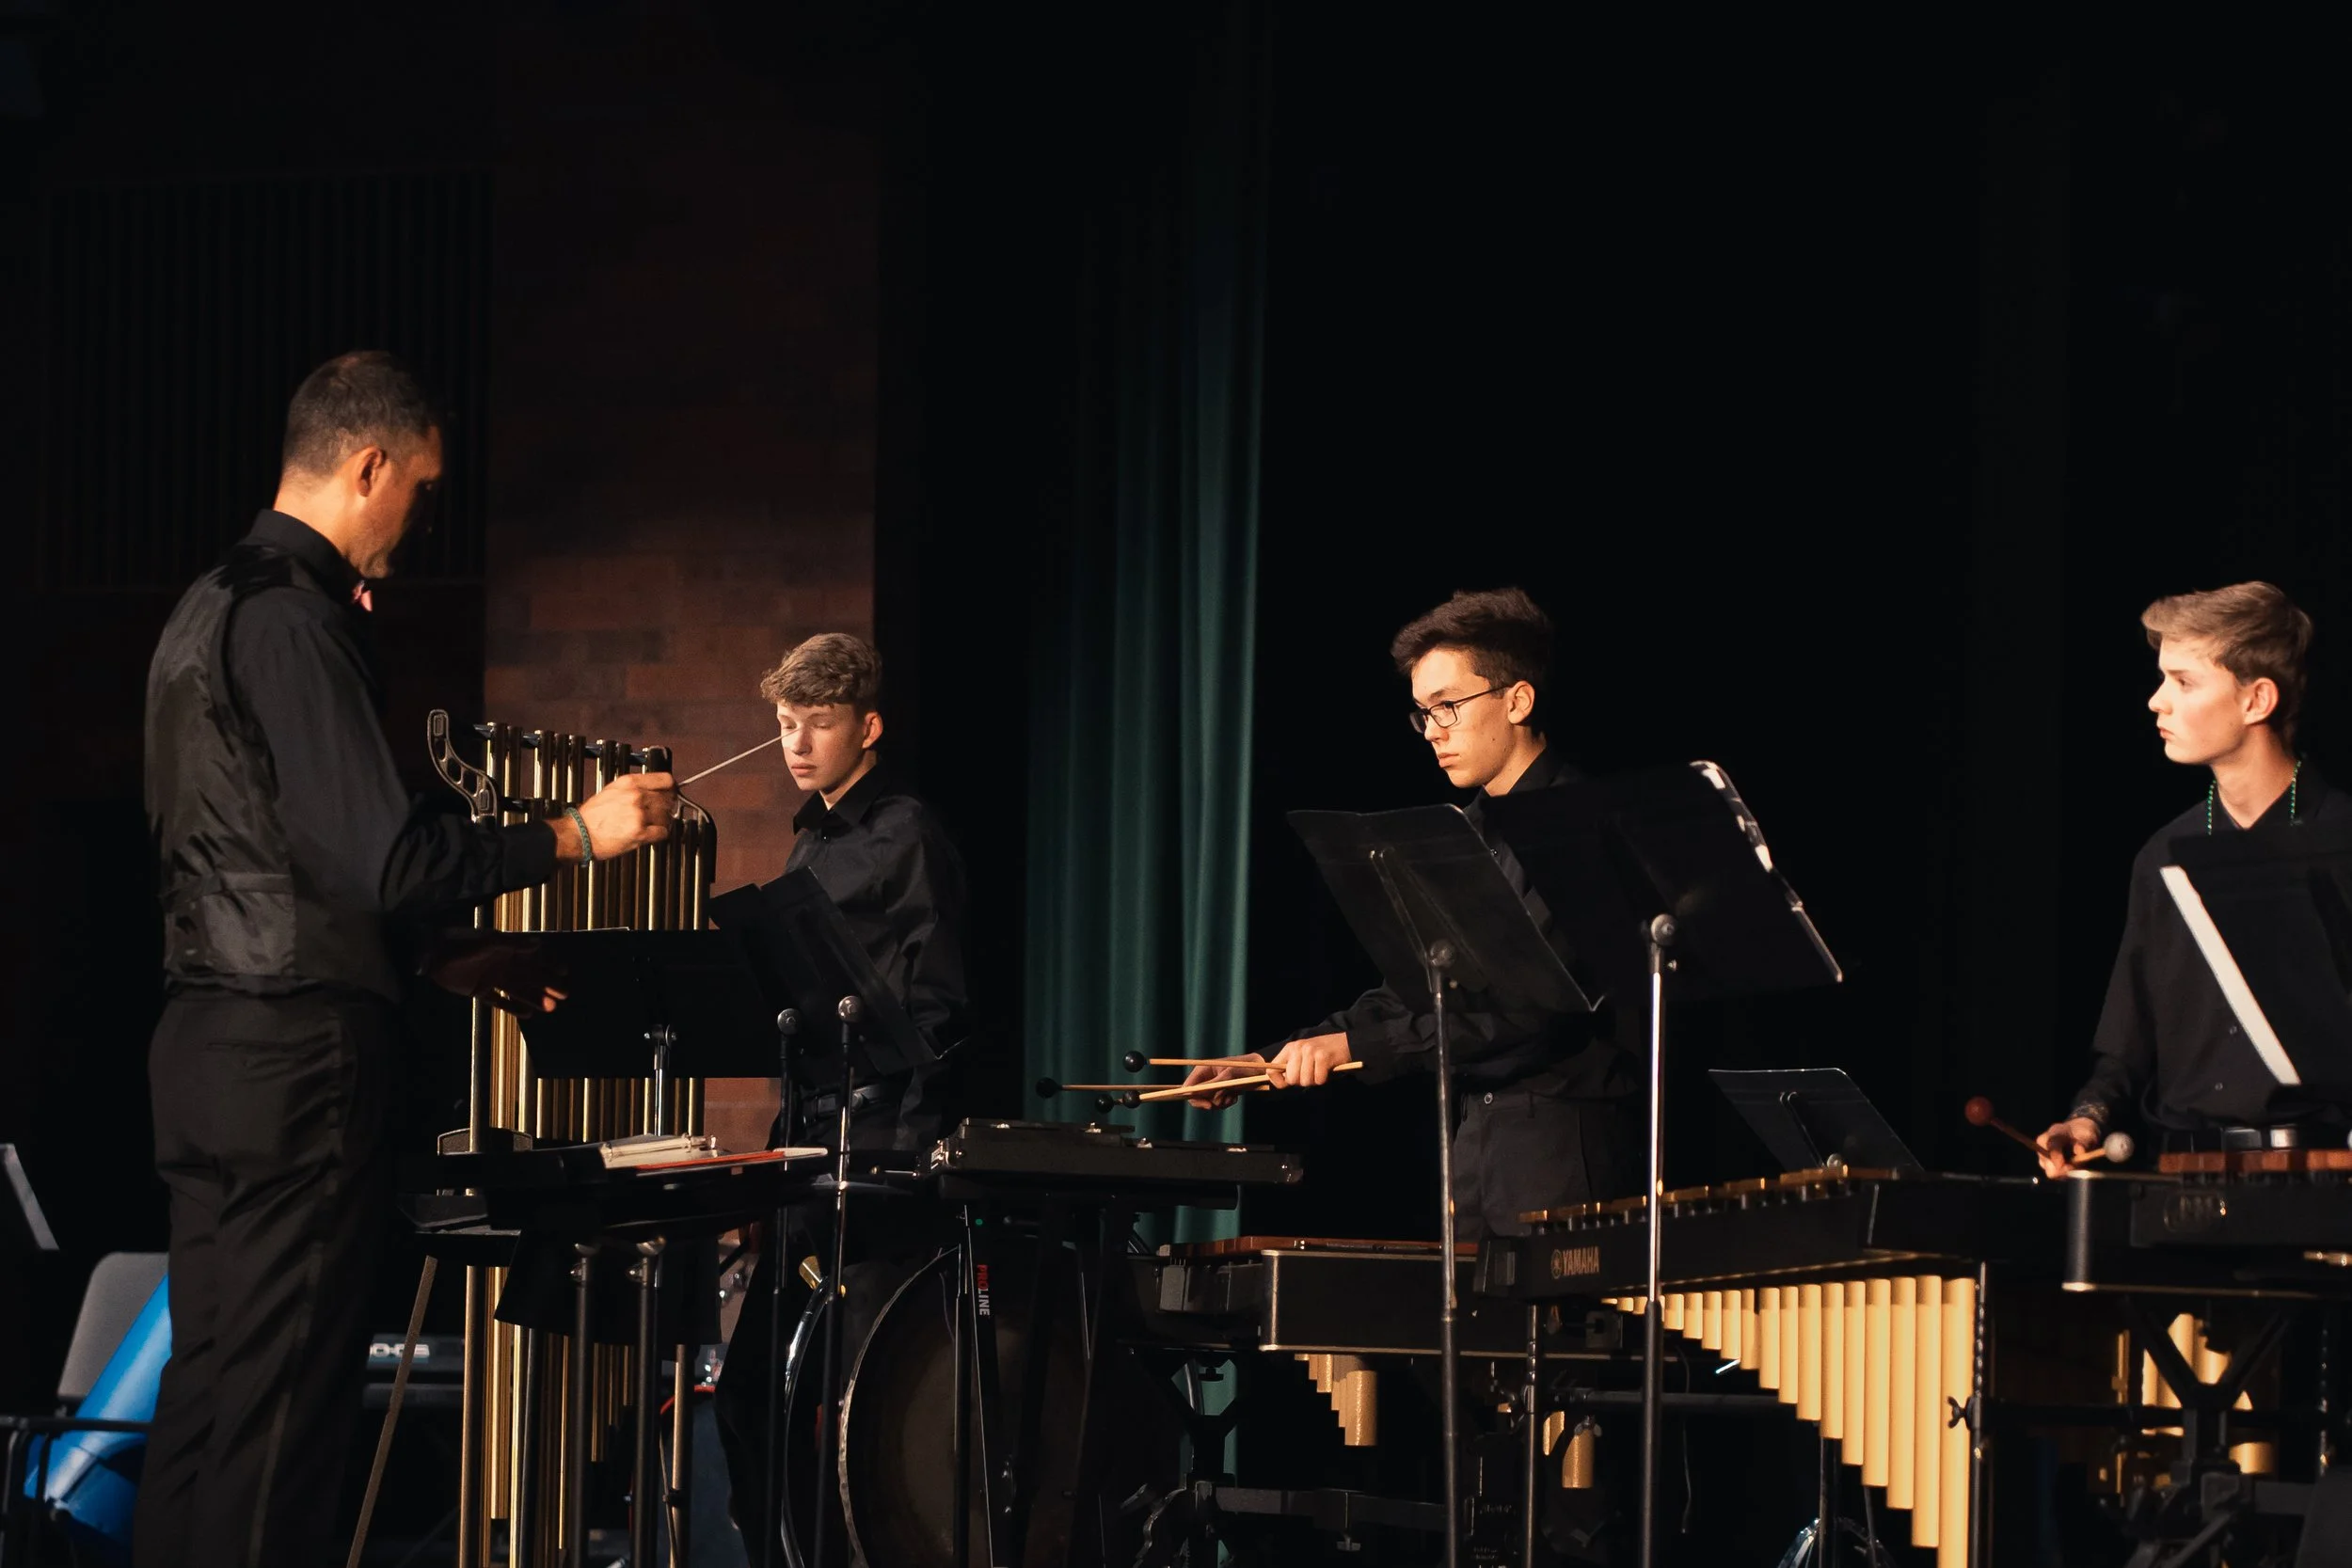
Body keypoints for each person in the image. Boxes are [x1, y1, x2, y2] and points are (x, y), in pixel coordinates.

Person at [135, 351, 675, 1568]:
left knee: (212, 1402)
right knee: (279, 1430)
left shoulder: (204, 606)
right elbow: (381, 856)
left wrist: (441, 954)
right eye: (417, 491)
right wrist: (573, 833)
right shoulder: (290, 614)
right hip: (294, 1058)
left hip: (209, 1044)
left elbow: (275, 847)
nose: (416, 520)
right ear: (368, 464)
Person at [1187, 587, 1640, 1237]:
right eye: (1423, 713)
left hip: (1568, 1155)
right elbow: (1422, 991)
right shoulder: (1468, 831)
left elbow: (1533, 1009)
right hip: (1478, 1144)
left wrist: (1352, 1045)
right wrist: (1265, 1061)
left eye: (1448, 706)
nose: (1432, 731)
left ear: (1517, 699)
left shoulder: (1580, 827)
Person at [712, 631, 973, 1550]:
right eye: (785, 725)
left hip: (878, 1168)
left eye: (816, 724)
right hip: (811, 1157)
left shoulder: (904, 832)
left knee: (850, 1410)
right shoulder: (808, 845)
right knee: (748, 1395)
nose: (796, 742)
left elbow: (936, 1007)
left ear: (867, 725)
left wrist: (897, 1158)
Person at [2038, 581, 2348, 1178]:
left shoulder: (2343, 845)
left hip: (2324, 1185)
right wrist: (2088, 1117)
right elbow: (2126, 1047)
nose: (2157, 701)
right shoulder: (2162, 859)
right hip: (2182, 1185)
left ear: (2257, 700)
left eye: (2183, 682)